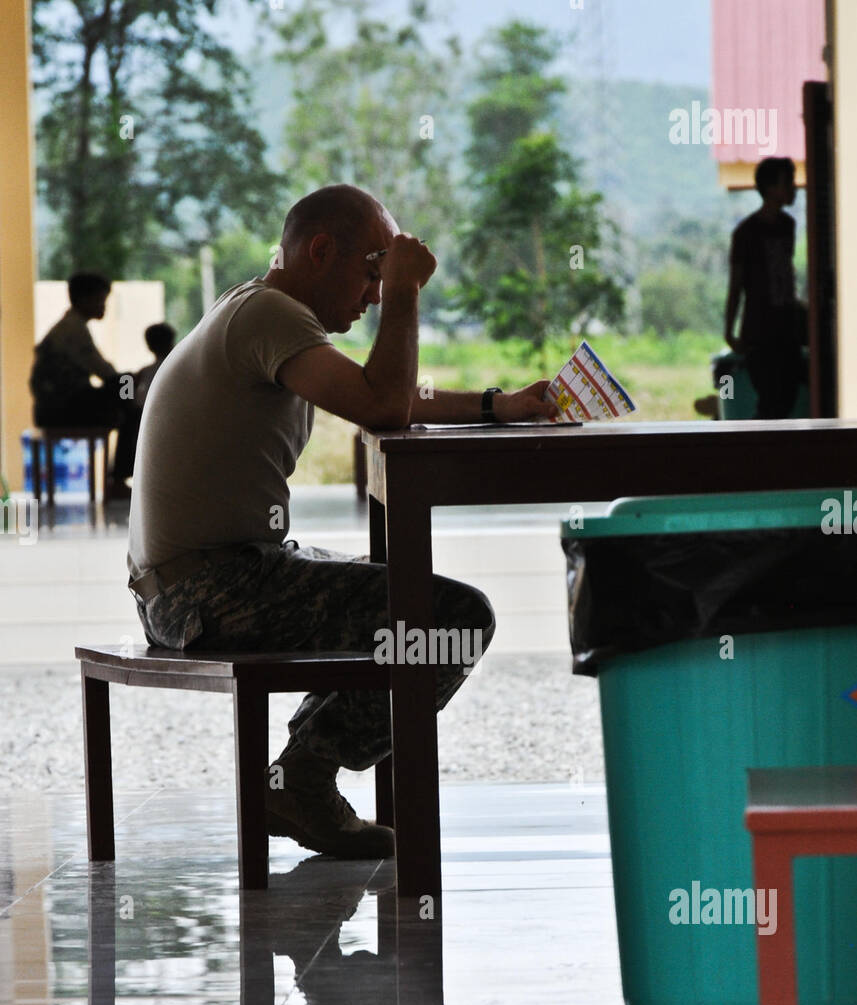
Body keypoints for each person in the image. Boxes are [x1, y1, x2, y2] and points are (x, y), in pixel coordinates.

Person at [127, 184, 554, 860]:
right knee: (450, 617)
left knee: (394, 589)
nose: (376, 294)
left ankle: (299, 772)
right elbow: (383, 408)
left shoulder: (261, 312)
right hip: (209, 591)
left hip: (195, 584)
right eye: (372, 272)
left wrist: (497, 406)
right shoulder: (267, 314)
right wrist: (411, 293)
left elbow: (385, 396)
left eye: (385, 280)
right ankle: (304, 775)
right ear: (320, 251)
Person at [724, 156, 806, 419]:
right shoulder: (746, 233)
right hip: (760, 331)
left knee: (784, 401)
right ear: (771, 188)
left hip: (787, 329)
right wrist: (730, 330)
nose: (793, 188)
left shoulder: (788, 225)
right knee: (772, 402)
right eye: (788, 183)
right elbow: (736, 285)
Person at [30, 272, 124, 427]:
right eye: (100, 300)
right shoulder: (73, 329)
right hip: (61, 409)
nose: (104, 306)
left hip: (53, 407)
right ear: (84, 300)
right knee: (125, 386)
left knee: (123, 388)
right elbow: (104, 371)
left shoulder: (70, 325)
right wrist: (128, 382)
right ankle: (129, 448)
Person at [110, 322, 176, 495]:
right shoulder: (178, 368)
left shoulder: (141, 373)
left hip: (143, 417)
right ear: (172, 342)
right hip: (171, 417)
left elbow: (128, 396)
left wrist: (127, 405)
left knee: (128, 426)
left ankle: (118, 479)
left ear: (149, 346)